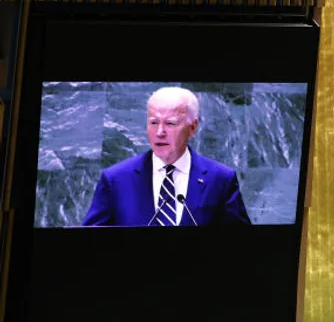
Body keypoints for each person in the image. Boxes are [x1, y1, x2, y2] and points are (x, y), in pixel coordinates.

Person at [83, 87, 251, 227]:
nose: (159, 132)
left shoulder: (220, 179)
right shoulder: (116, 179)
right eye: (154, 123)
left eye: (170, 124)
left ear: (192, 128)